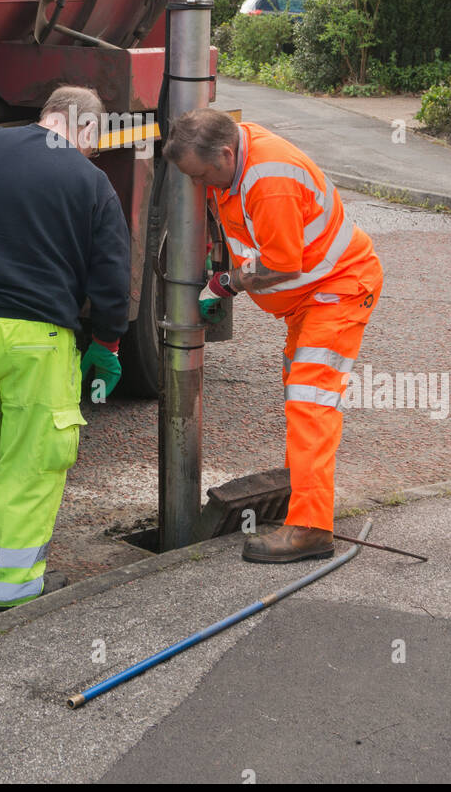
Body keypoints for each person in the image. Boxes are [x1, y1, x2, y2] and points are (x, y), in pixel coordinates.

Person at [0, 86, 131, 609]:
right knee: (33, 456)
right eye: (94, 142)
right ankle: (16, 585)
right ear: (86, 129)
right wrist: (107, 342)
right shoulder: (92, 182)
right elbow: (112, 276)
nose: (92, 152)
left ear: (46, 115)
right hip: (37, 339)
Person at [164, 108, 383, 563]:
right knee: (301, 397)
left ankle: (310, 528)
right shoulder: (237, 157)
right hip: (314, 297)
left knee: (310, 403)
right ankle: (302, 497)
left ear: (225, 153)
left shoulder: (268, 180)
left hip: (336, 290)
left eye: (204, 176)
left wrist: (226, 283)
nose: (203, 186)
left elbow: (283, 263)